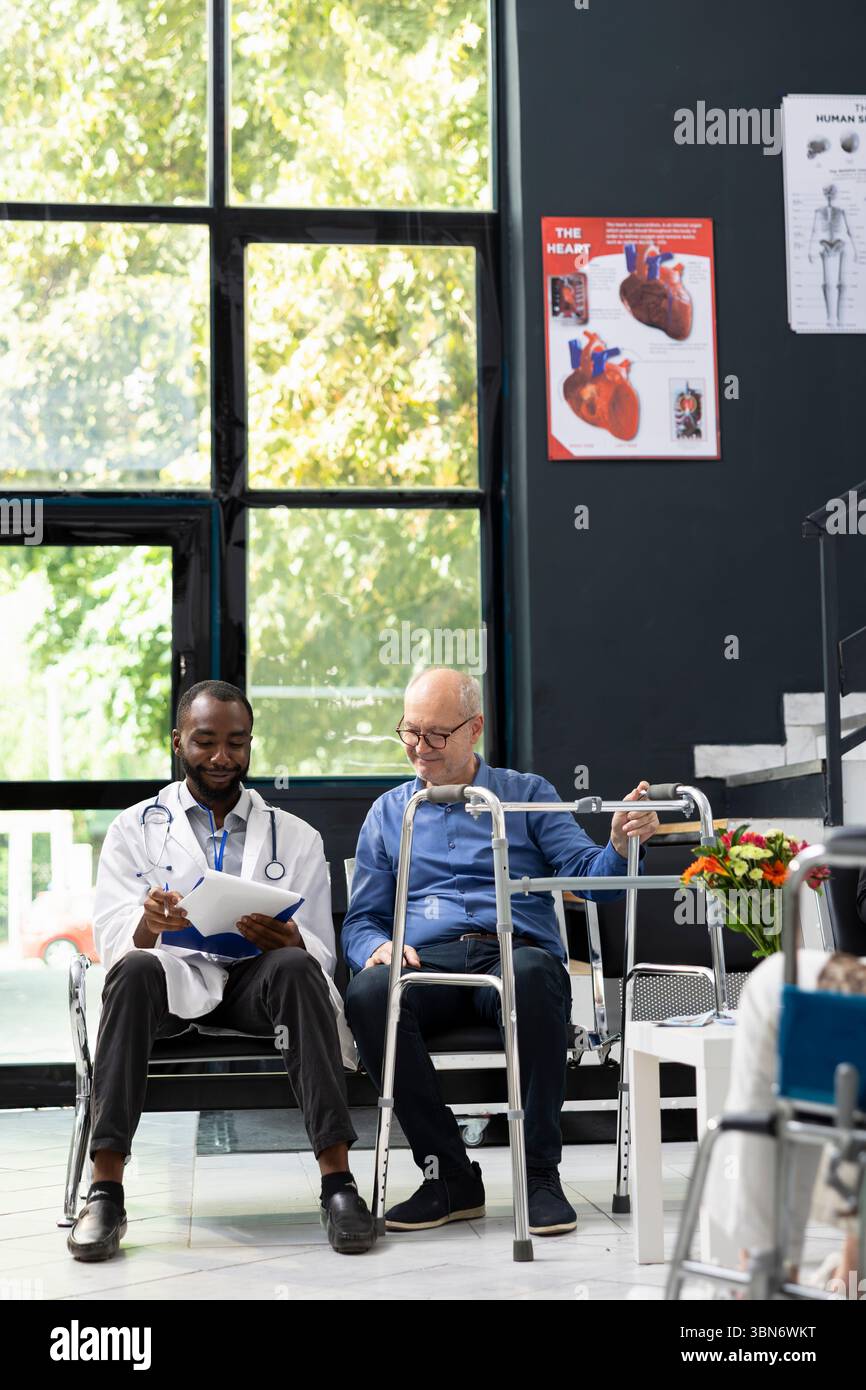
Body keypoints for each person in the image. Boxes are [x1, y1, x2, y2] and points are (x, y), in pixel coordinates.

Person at [343, 667, 658, 1236]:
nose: (419, 748)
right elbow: (361, 921)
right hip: (426, 964)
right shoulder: (388, 813)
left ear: (475, 729)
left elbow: (595, 882)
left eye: (436, 735)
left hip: (514, 953)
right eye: (409, 732)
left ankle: (540, 1174)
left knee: (536, 975)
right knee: (367, 994)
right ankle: (449, 1176)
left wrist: (616, 844)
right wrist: (378, 945)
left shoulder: (525, 795)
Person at [69, 680, 374, 1261]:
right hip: (173, 977)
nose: (221, 757)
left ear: (250, 743)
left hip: (256, 984)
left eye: (236, 742)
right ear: (178, 740)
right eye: (206, 741)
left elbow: (322, 951)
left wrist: (290, 938)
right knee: (133, 970)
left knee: (296, 966)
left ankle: (338, 1184)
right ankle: (105, 1190)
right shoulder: (133, 830)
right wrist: (148, 924)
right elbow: (112, 940)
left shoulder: (297, 836)